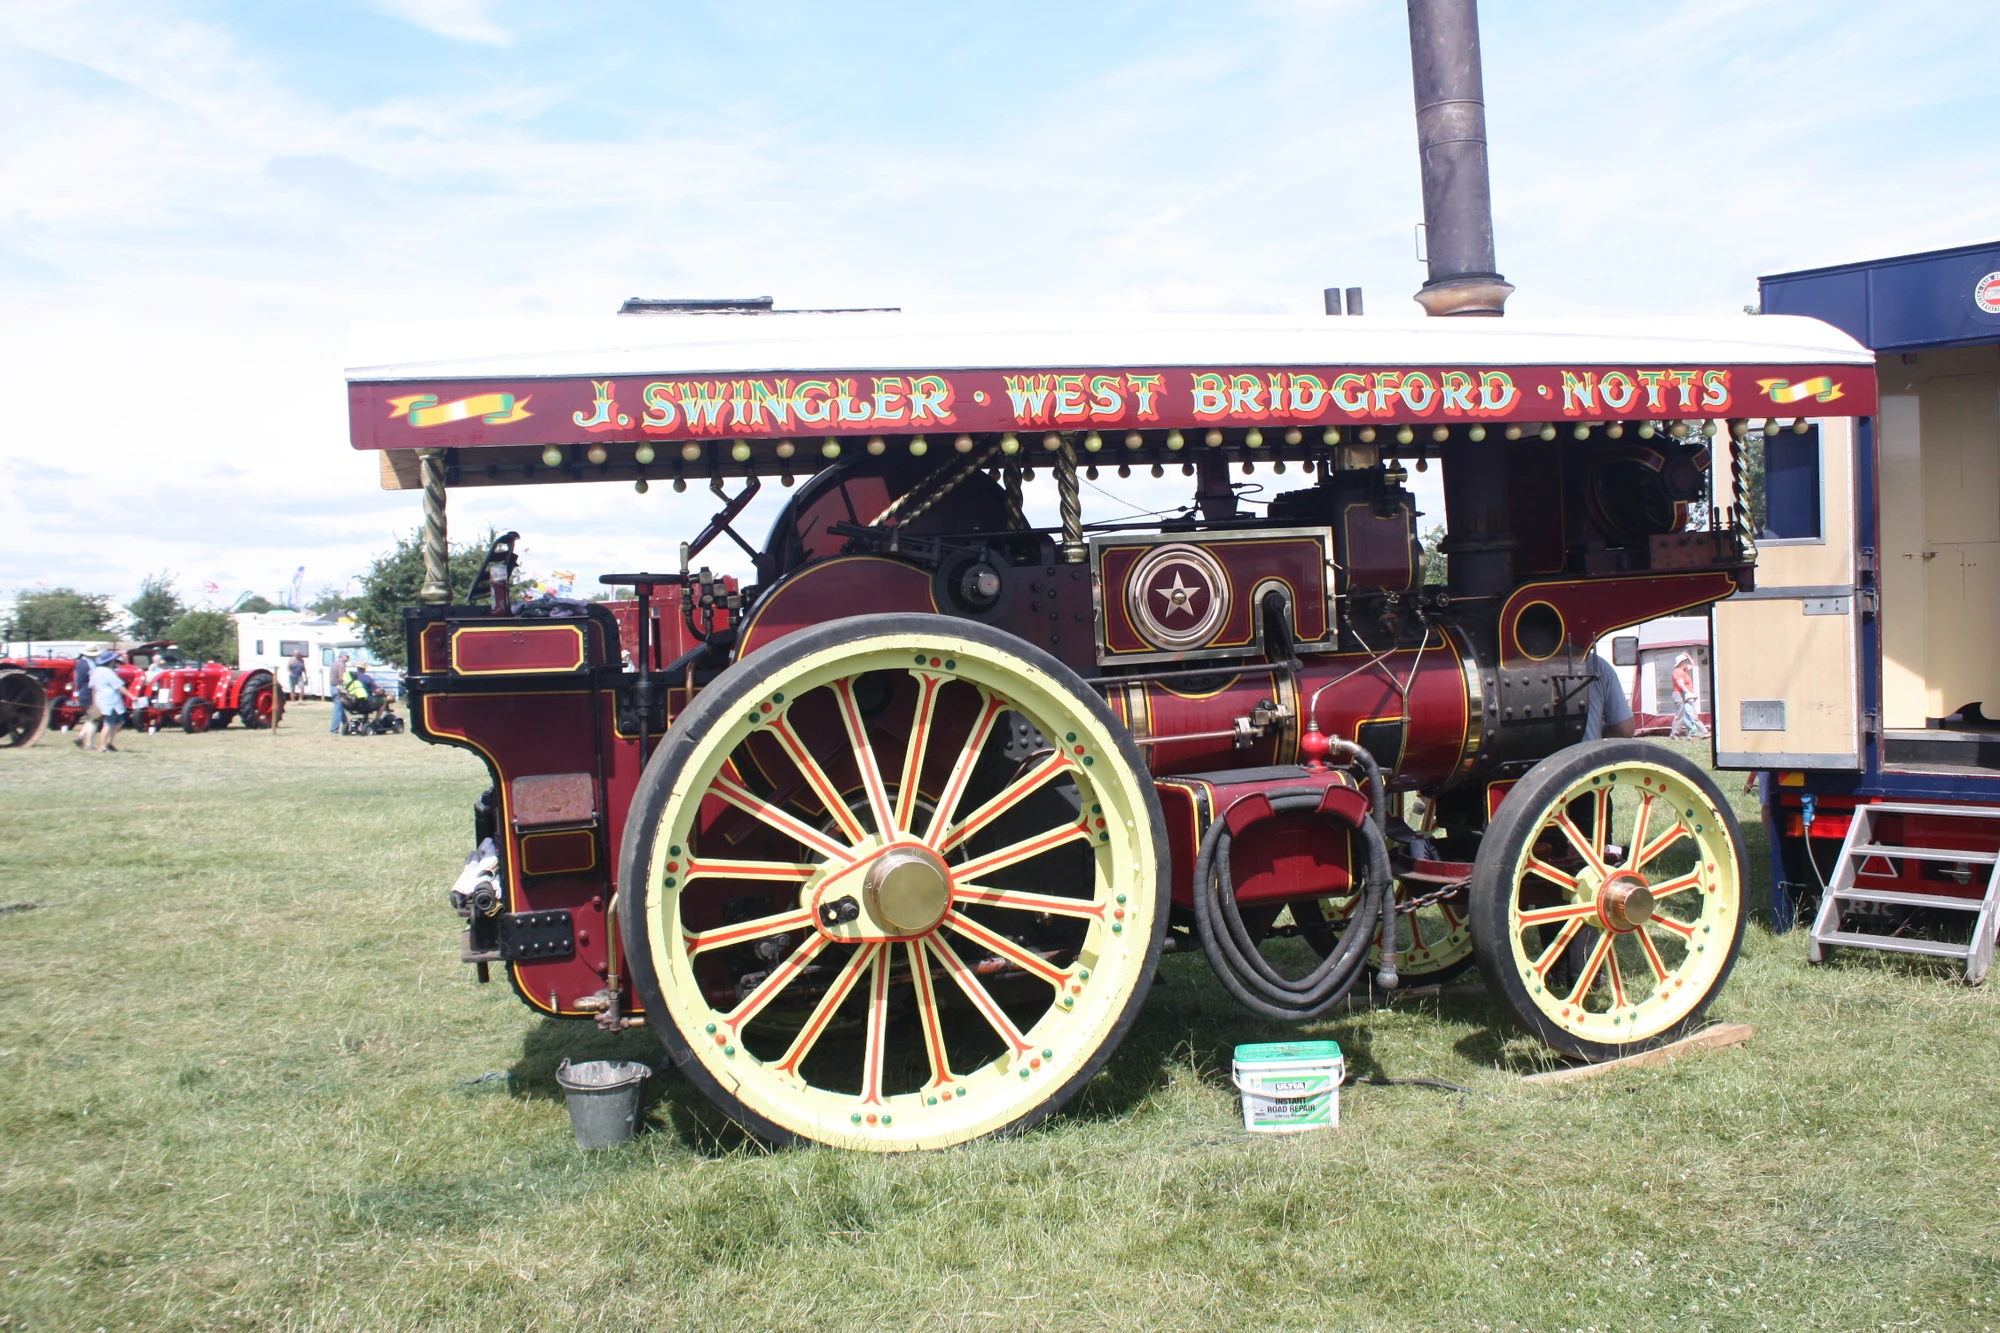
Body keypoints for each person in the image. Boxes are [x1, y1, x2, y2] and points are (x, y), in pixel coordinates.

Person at [82, 651, 137, 752]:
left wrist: (95, 702)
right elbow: (119, 686)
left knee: (119, 722)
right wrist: (132, 696)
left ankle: (109, 742)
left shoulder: (96, 671)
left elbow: (93, 688)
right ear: (110, 662)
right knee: (108, 724)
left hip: (103, 699)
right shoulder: (108, 672)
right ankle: (103, 746)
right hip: (110, 700)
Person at [1582, 650, 1636, 742]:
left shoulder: (1599, 664)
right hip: (1588, 752)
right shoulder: (1598, 664)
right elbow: (1625, 729)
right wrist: (1598, 731)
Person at [1669, 651, 1710, 739]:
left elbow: (1693, 664)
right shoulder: (1677, 671)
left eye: (1686, 661)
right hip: (1679, 694)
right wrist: (1690, 694)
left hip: (1686, 695)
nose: (1686, 662)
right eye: (1685, 661)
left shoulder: (1684, 669)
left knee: (1693, 714)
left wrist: (1688, 656)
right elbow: (1681, 685)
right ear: (1680, 662)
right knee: (1680, 714)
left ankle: (1704, 732)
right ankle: (1674, 734)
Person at [329, 652, 350, 734]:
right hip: (338, 688)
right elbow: (342, 677)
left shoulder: (333, 664)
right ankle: (333, 730)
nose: (348, 658)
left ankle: (346, 724)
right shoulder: (341, 665)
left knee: (340, 708)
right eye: (347, 656)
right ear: (342, 656)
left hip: (332, 687)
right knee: (338, 710)